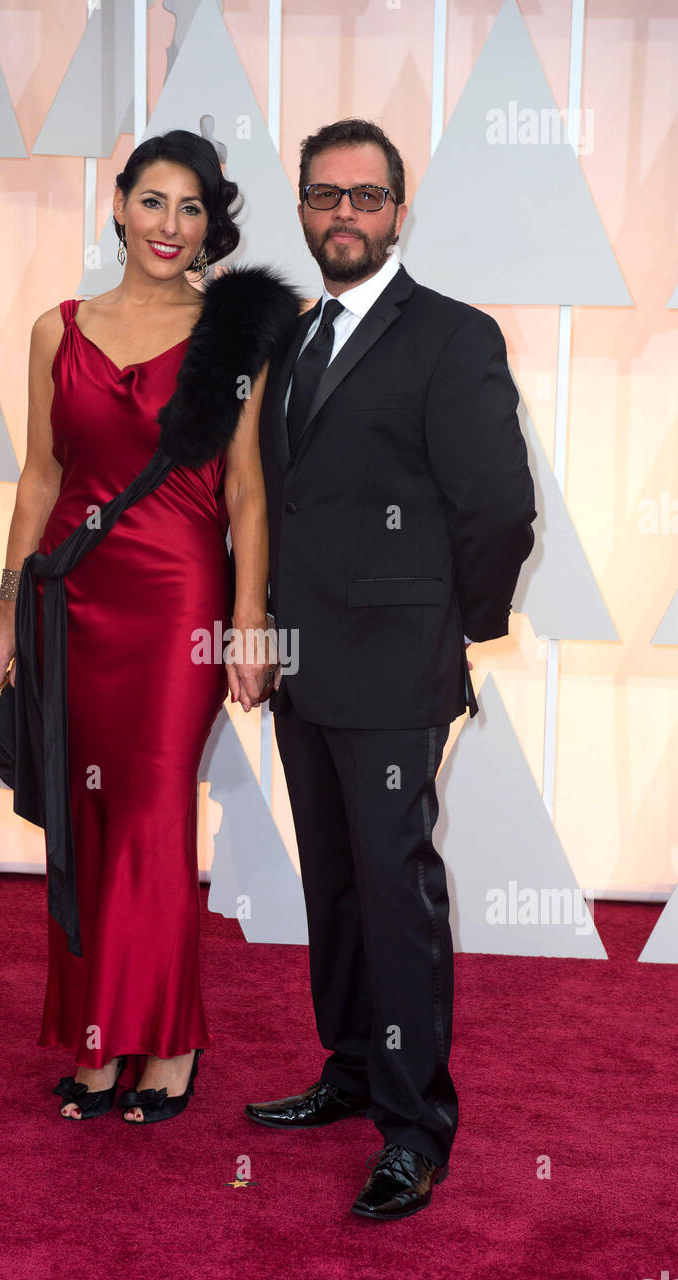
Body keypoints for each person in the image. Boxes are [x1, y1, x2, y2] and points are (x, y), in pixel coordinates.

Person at [247, 119, 536, 1218]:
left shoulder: (452, 337)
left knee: (397, 895)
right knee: (335, 888)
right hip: (304, 669)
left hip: (398, 666)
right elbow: (276, 503)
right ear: (307, 208)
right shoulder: (290, 336)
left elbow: (498, 506)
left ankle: (415, 1126)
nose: (345, 215)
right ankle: (353, 1068)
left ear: (399, 211)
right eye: (326, 196)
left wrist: (448, 627)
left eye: (366, 197)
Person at [0, 130, 287, 1125]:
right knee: (85, 820)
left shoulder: (230, 335)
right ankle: (100, 1037)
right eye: (153, 202)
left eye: (191, 208)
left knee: (151, 812)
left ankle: (169, 1037)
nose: (169, 225)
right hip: (69, 597)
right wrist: (4, 610)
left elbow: (245, 487)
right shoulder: (53, 330)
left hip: (175, 600)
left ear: (210, 223)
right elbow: (41, 477)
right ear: (118, 206)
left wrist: (248, 621)